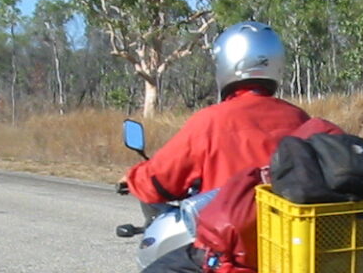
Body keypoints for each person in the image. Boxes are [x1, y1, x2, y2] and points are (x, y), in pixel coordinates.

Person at [122, 21, 309, 204]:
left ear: (227, 62)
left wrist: (134, 178)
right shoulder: (301, 119)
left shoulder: (211, 121)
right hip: (290, 231)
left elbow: (161, 180)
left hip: (228, 233)